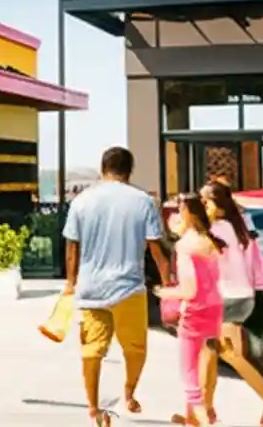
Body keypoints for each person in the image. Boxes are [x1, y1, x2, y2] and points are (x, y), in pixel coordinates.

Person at [62, 146, 172, 426]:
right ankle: (129, 392)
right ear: (129, 169)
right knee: (135, 349)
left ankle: (92, 408)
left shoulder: (82, 201)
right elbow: (156, 248)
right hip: (129, 289)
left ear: (103, 168)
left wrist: (71, 283)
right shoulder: (142, 201)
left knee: (91, 352)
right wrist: (168, 282)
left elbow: (72, 248)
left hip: (91, 289)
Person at [201, 179, 263, 427]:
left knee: (229, 356)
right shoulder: (237, 226)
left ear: (218, 206)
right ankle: (204, 412)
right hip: (240, 296)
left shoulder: (218, 229)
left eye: (205, 202)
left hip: (228, 298)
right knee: (209, 354)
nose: (202, 206)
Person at [154, 194, 226, 427]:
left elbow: (189, 289)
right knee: (204, 364)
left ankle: (203, 420)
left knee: (190, 375)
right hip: (215, 309)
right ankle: (192, 418)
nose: (171, 218)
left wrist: (164, 293)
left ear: (187, 214)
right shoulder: (210, 241)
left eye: (176, 212)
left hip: (194, 313)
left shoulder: (185, 246)